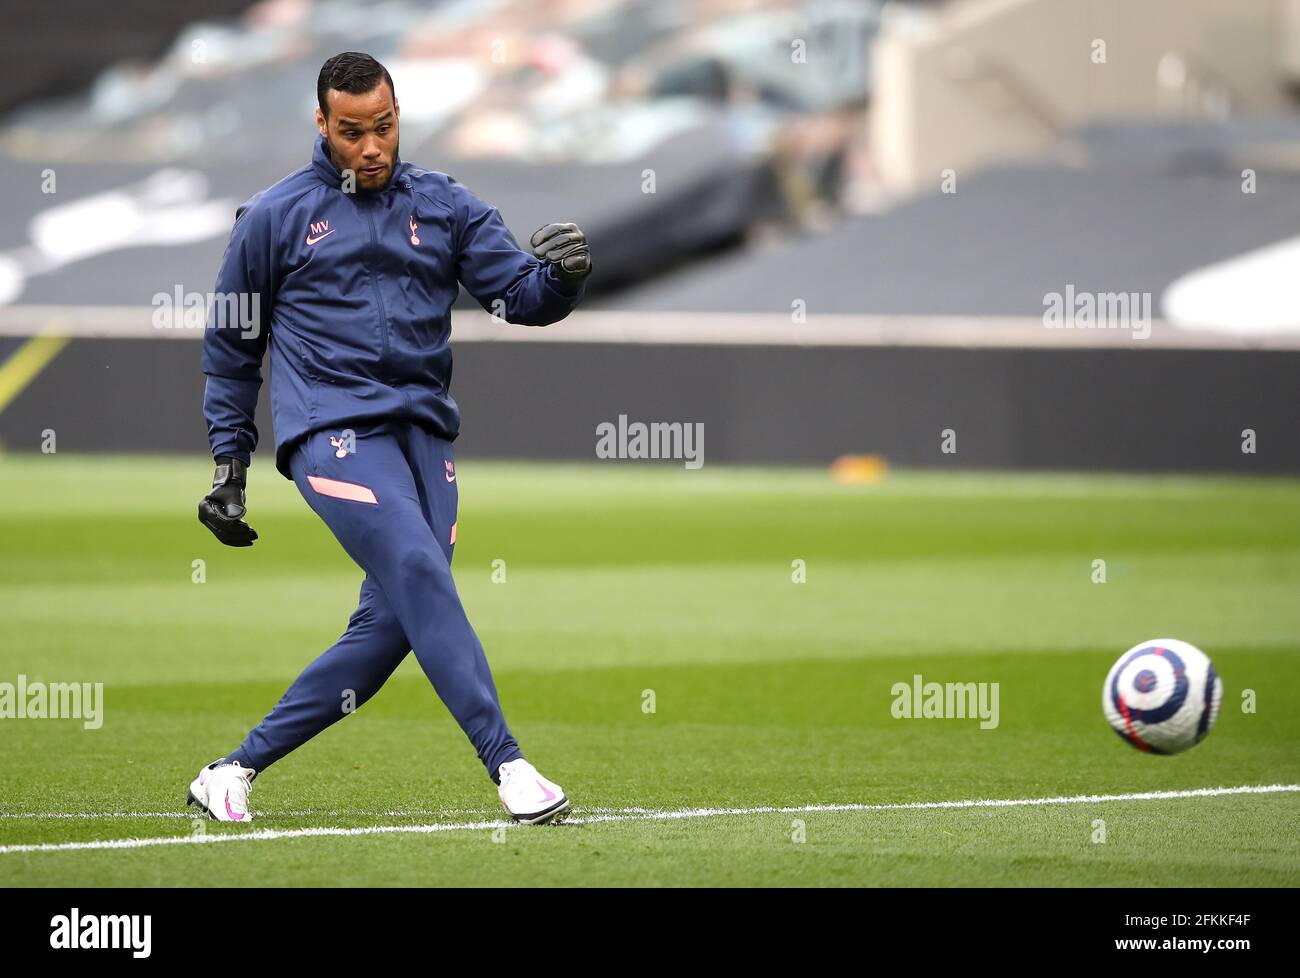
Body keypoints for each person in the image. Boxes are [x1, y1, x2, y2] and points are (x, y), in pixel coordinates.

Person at [188, 51, 590, 826]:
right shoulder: (271, 218)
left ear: (397, 114)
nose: (371, 147)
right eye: (351, 132)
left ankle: (234, 768)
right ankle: (507, 764)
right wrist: (228, 463)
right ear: (321, 125)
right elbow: (232, 349)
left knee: (393, 622)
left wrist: (562, 280)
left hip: (424, 437)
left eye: (384, 127)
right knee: (415, 565)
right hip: (330, 432)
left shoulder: (445, 205)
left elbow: (518, 297)